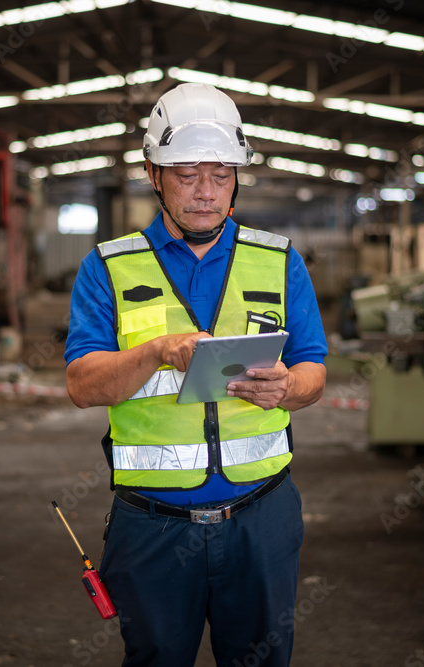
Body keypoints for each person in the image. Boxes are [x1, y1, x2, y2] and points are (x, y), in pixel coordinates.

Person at [64, 83, 328, 666]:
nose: (206, 193)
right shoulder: (107, 266)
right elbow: (83, 385)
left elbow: (314, 370)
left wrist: (289, 386)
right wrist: (155, 351)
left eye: (221, 175)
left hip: (261, 518)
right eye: (187, 175)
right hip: (152, 528)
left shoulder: (280, 260)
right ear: (153, 175)